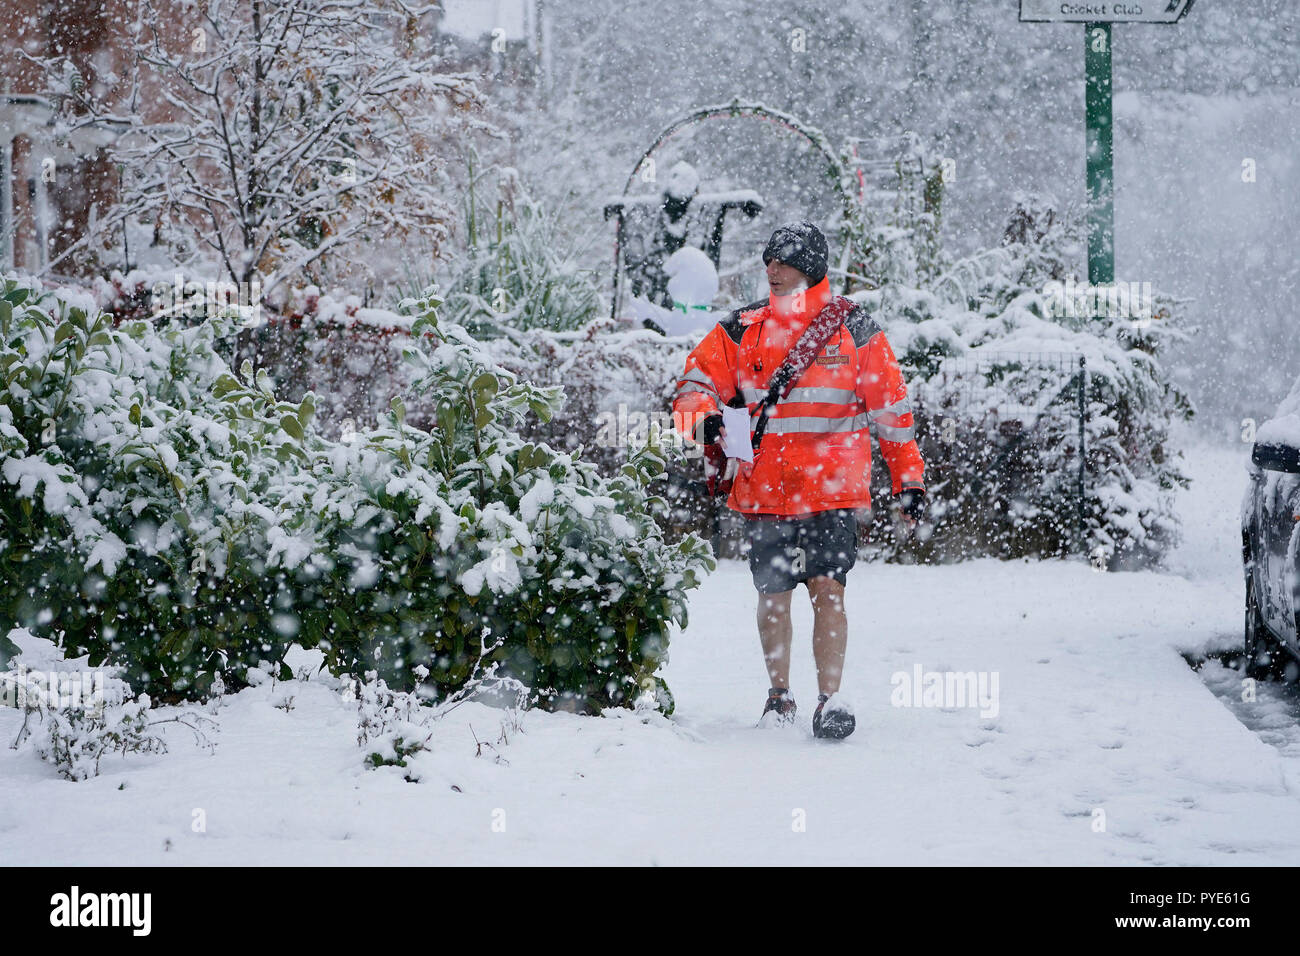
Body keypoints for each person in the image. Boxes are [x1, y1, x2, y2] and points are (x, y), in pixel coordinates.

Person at [671, 221, 926, 739]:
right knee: (773, 593)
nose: (772, 269)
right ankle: (778, 698)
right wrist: (702, 418)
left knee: (828, 590)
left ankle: (831, 700)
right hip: (765, 491)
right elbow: (692, 384)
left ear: (809, 268)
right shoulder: (742, 329)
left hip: (831, 493)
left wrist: (909, 479)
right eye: (768, 260)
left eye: (783, 261)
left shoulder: (855, 330)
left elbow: (892, 410)